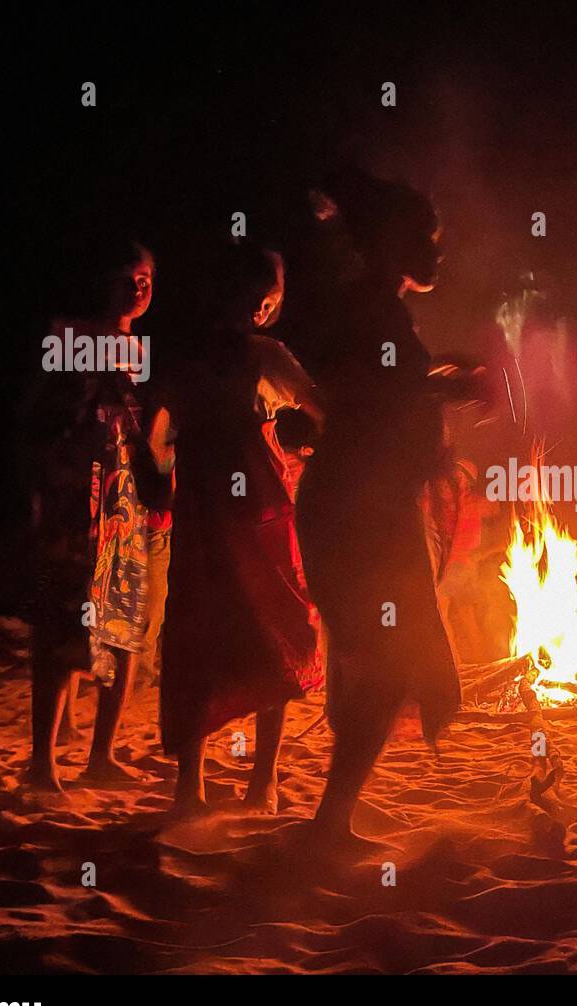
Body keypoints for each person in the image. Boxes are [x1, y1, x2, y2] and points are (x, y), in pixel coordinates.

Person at [290, 174, 491, 848]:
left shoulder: (379, 311)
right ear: (385, 241)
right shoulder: (370, 310)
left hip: (365, 505)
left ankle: (332, 818)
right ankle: (328, 825)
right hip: (356, 509)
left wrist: (444, 384)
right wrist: (443, 391)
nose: (436, 252)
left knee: (379, 658)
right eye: (420, 238)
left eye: (436, 239)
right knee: (387, 658)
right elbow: (363, 403)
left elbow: (383, 393)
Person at [159, 241, 323, 814]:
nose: (260, 302)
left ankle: (249, 783)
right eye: (255, 290)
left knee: (266, 628)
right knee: (224, 633)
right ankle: (209, 786)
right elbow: (324, 408)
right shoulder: (221, 359)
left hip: (252, 509)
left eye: (268, 292)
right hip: (224, 513)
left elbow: (319, 409)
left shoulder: (259, 355)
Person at [25, 237, 167, 791]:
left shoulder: (135, 347)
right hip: (73, 503)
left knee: (126, 626)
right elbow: (36, 415)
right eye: (128, 278)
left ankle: (100, 756)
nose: (139, 288)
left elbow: (141, 429)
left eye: (147, 279)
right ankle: (42, 764)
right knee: (63, 629)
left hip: (122, 504)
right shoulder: (69, 338)